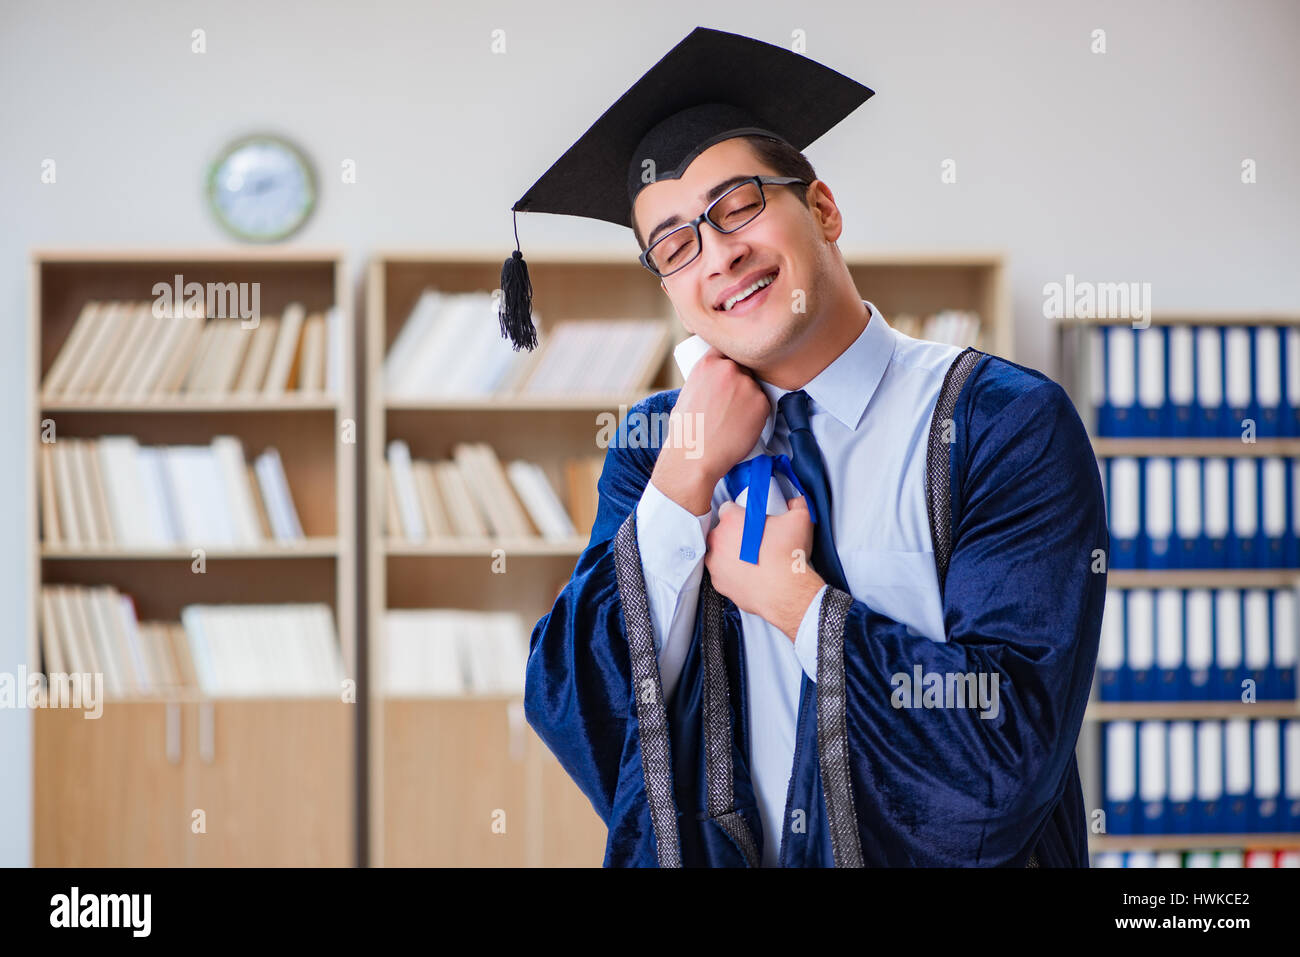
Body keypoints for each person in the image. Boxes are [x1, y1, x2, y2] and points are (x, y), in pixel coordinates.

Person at [508, 27, 1108, 867]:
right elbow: (578, 708)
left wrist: (799, 605)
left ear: (822, 209)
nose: (720, 254)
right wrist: (684, 479)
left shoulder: (1002, 423)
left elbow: (1005, 762)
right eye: (676, 245)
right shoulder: (652, 446)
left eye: (740, 203)